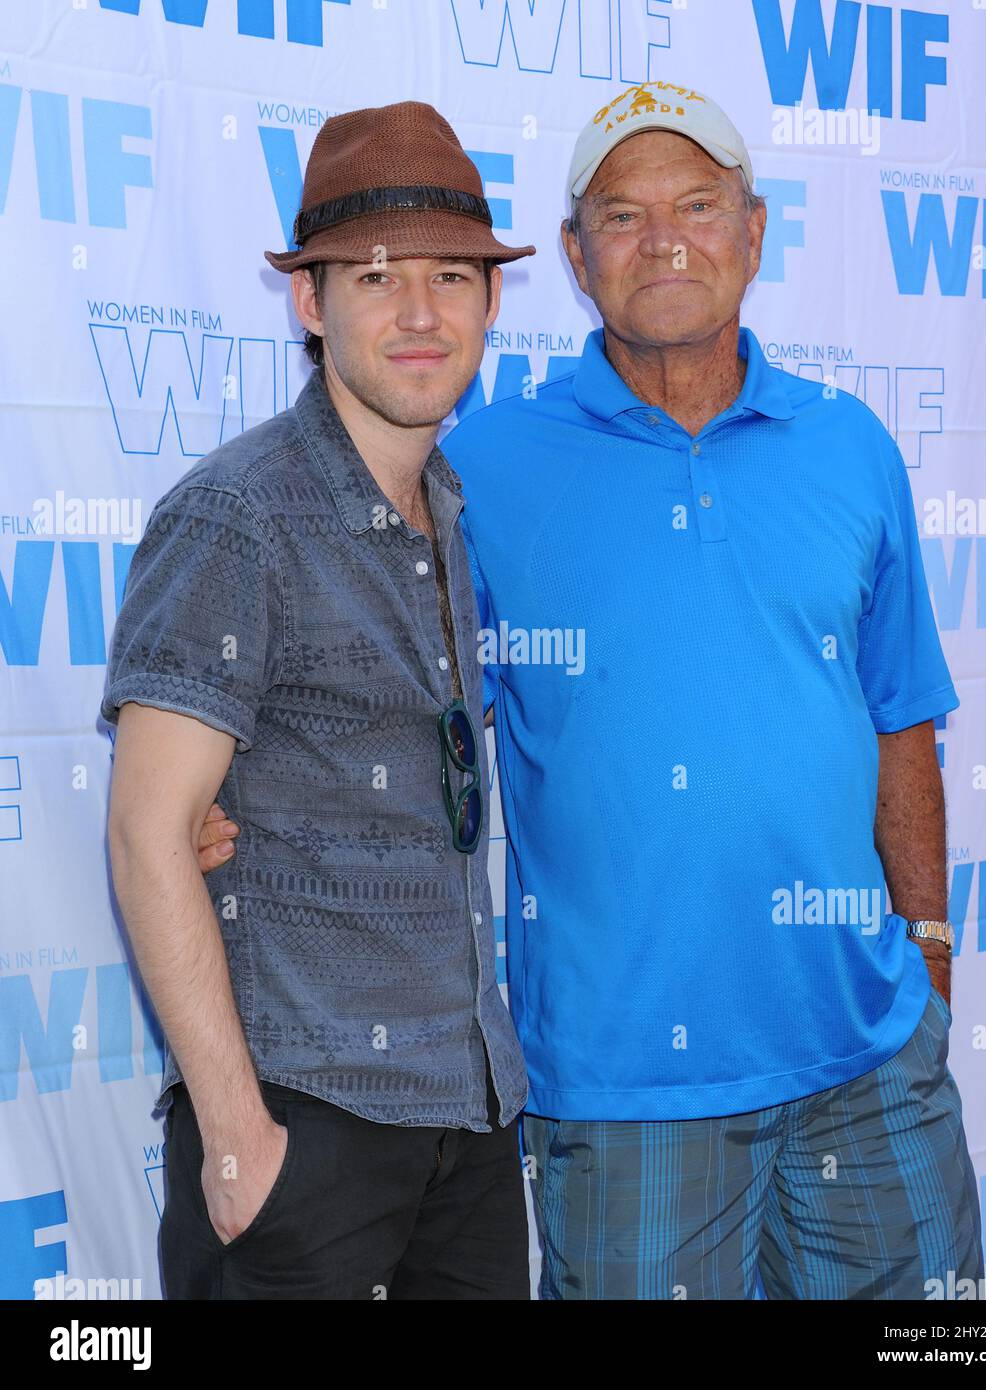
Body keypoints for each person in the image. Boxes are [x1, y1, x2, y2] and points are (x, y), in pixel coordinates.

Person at [200, 80, 984, 1300]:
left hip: (872, 1064)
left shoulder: (853, 446)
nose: (664, 238)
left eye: (700, 205)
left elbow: (900, 718)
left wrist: (928, 954)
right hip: (624, 1094)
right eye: (621, 215)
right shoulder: (478, 469)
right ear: (573, 256)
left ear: (757, 228)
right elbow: (397, 717)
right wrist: (215, 803)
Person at [102, 101, 536, 1300]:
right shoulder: (239, 514)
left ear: (493, 306)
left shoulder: (443, 504)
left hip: (468, 1111)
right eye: (376, 277)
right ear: (311, 303)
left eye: (454, 277)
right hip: (307, 1128)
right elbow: (149, 835)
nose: (420, 314)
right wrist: (242, 1141)